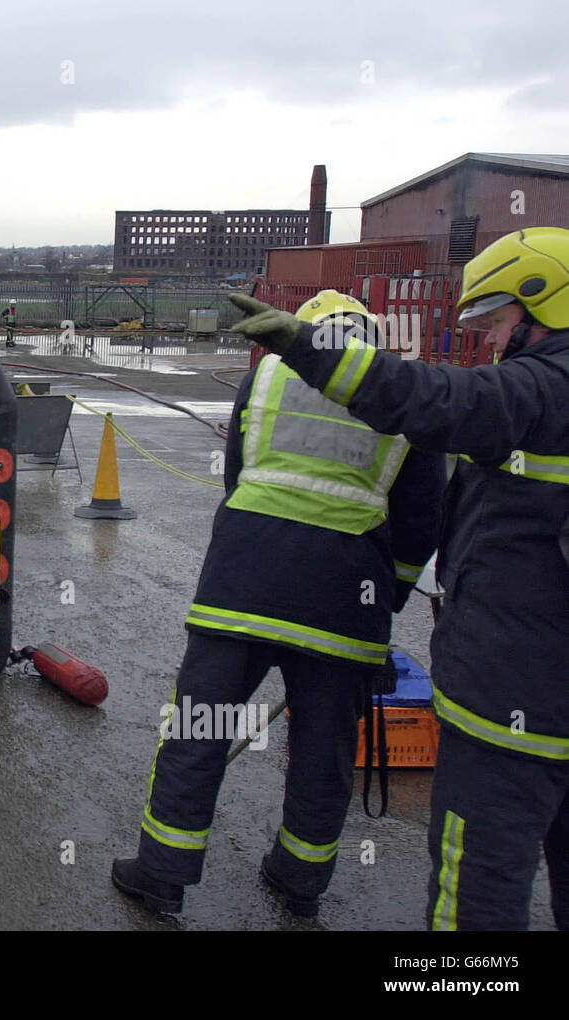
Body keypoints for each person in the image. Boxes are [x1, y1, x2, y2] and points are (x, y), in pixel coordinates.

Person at [231, 227, 569, 931]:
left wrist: (310, 349)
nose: (493, 343)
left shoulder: (544, 391)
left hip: (514, 708)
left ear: (546, 305)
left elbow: (433, 399)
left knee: (477, 891)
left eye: (499, 323)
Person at [111, 290, 445, 917]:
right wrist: (389, 595)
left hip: (242, 589)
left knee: (197, 730)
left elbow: (240, 474)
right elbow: (421, 519)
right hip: (346, 605)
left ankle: (161, 873)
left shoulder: (267, 373)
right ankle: (299, 884)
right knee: (324, 750)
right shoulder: (399, 394)